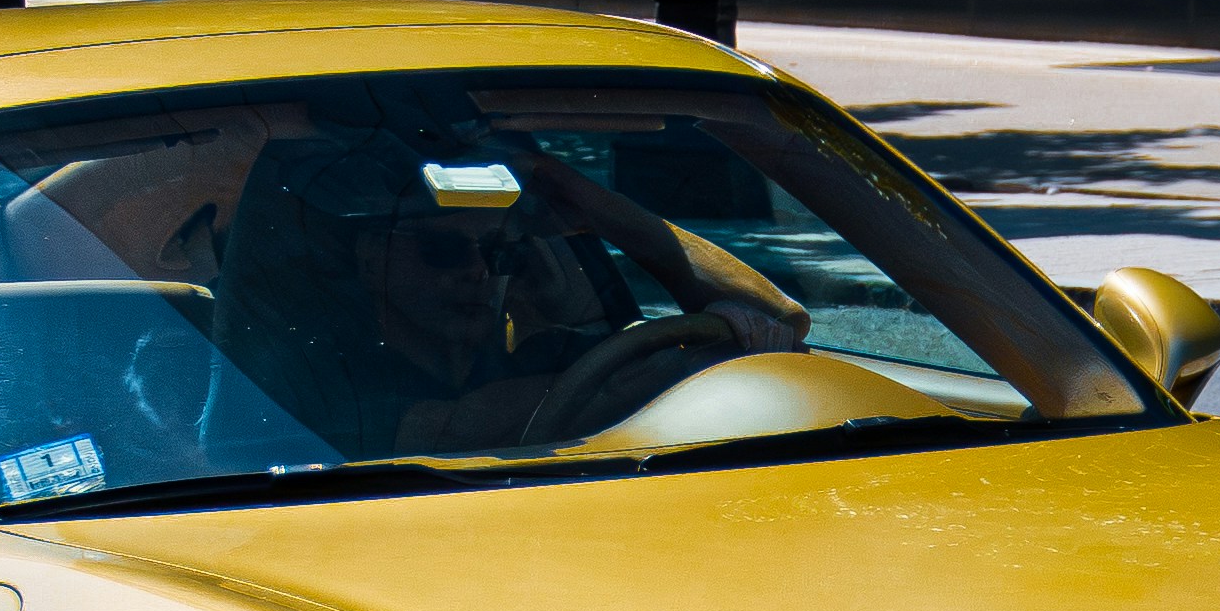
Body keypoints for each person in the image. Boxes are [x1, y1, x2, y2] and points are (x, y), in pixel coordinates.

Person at [218, 126, 805, 459]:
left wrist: (581, 196)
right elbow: (468, 423)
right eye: (444, 251)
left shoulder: (549, 354)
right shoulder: (334, 384)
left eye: (502, 254)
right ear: (372, 260)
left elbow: (778, 322)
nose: (479, 272)